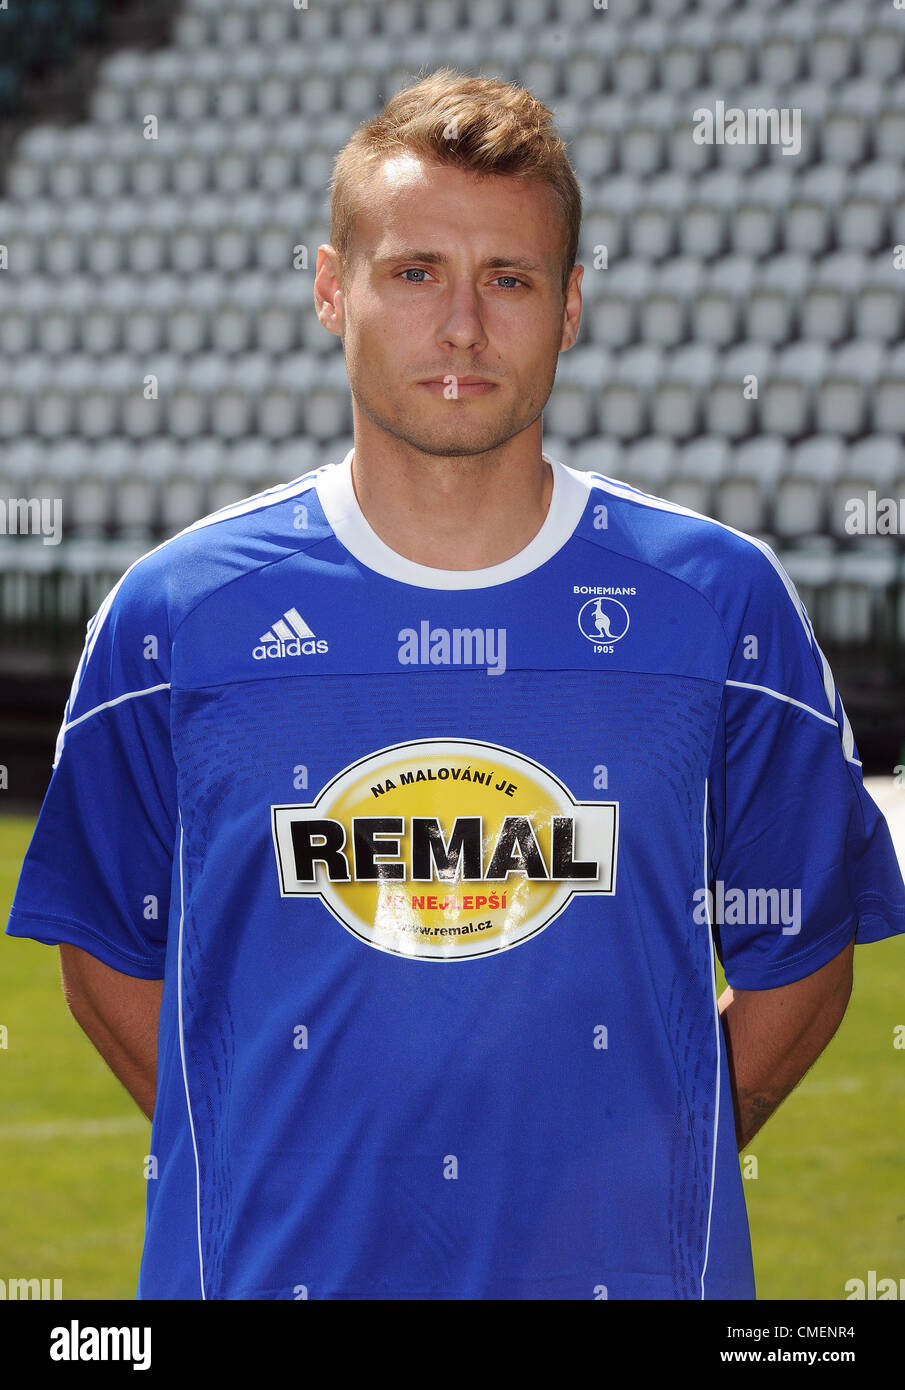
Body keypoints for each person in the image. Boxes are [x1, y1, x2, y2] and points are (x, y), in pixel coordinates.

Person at [6, 68, 905, 1301]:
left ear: (571, 306)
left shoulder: (718, 603)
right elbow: (107, 949)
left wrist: (643, 1159)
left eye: (511, 279)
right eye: (415, 271)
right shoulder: (175, 615)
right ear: (333, 288)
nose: (464, 327)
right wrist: (278, 1148)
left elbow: (799, 957)